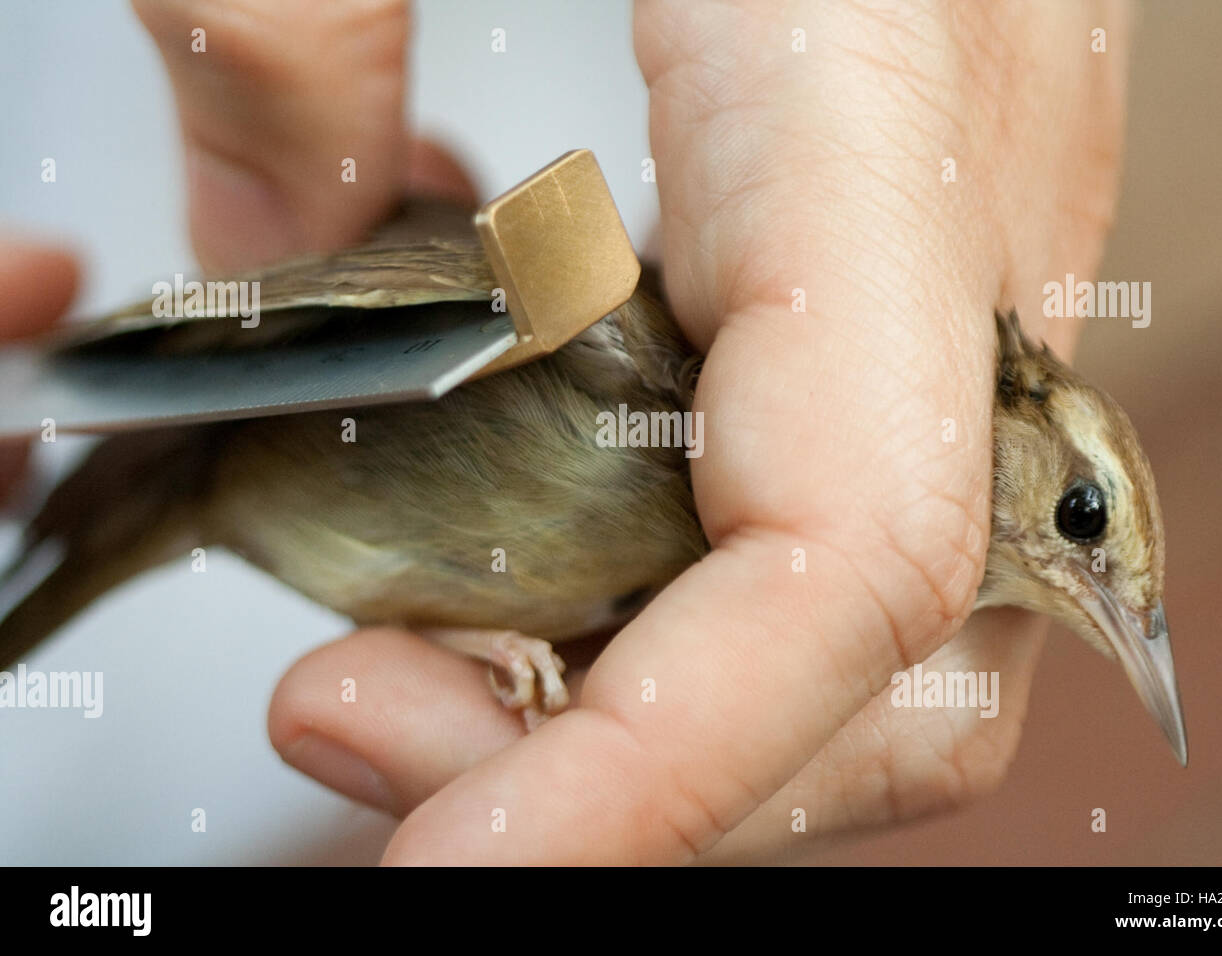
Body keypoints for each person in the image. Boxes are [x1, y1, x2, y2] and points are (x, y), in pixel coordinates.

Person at [0, 0, 1129, 863]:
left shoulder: (749, 541)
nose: (1084, 581)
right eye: (1084, 517)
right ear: (1013, 418)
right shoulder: (698, 389)